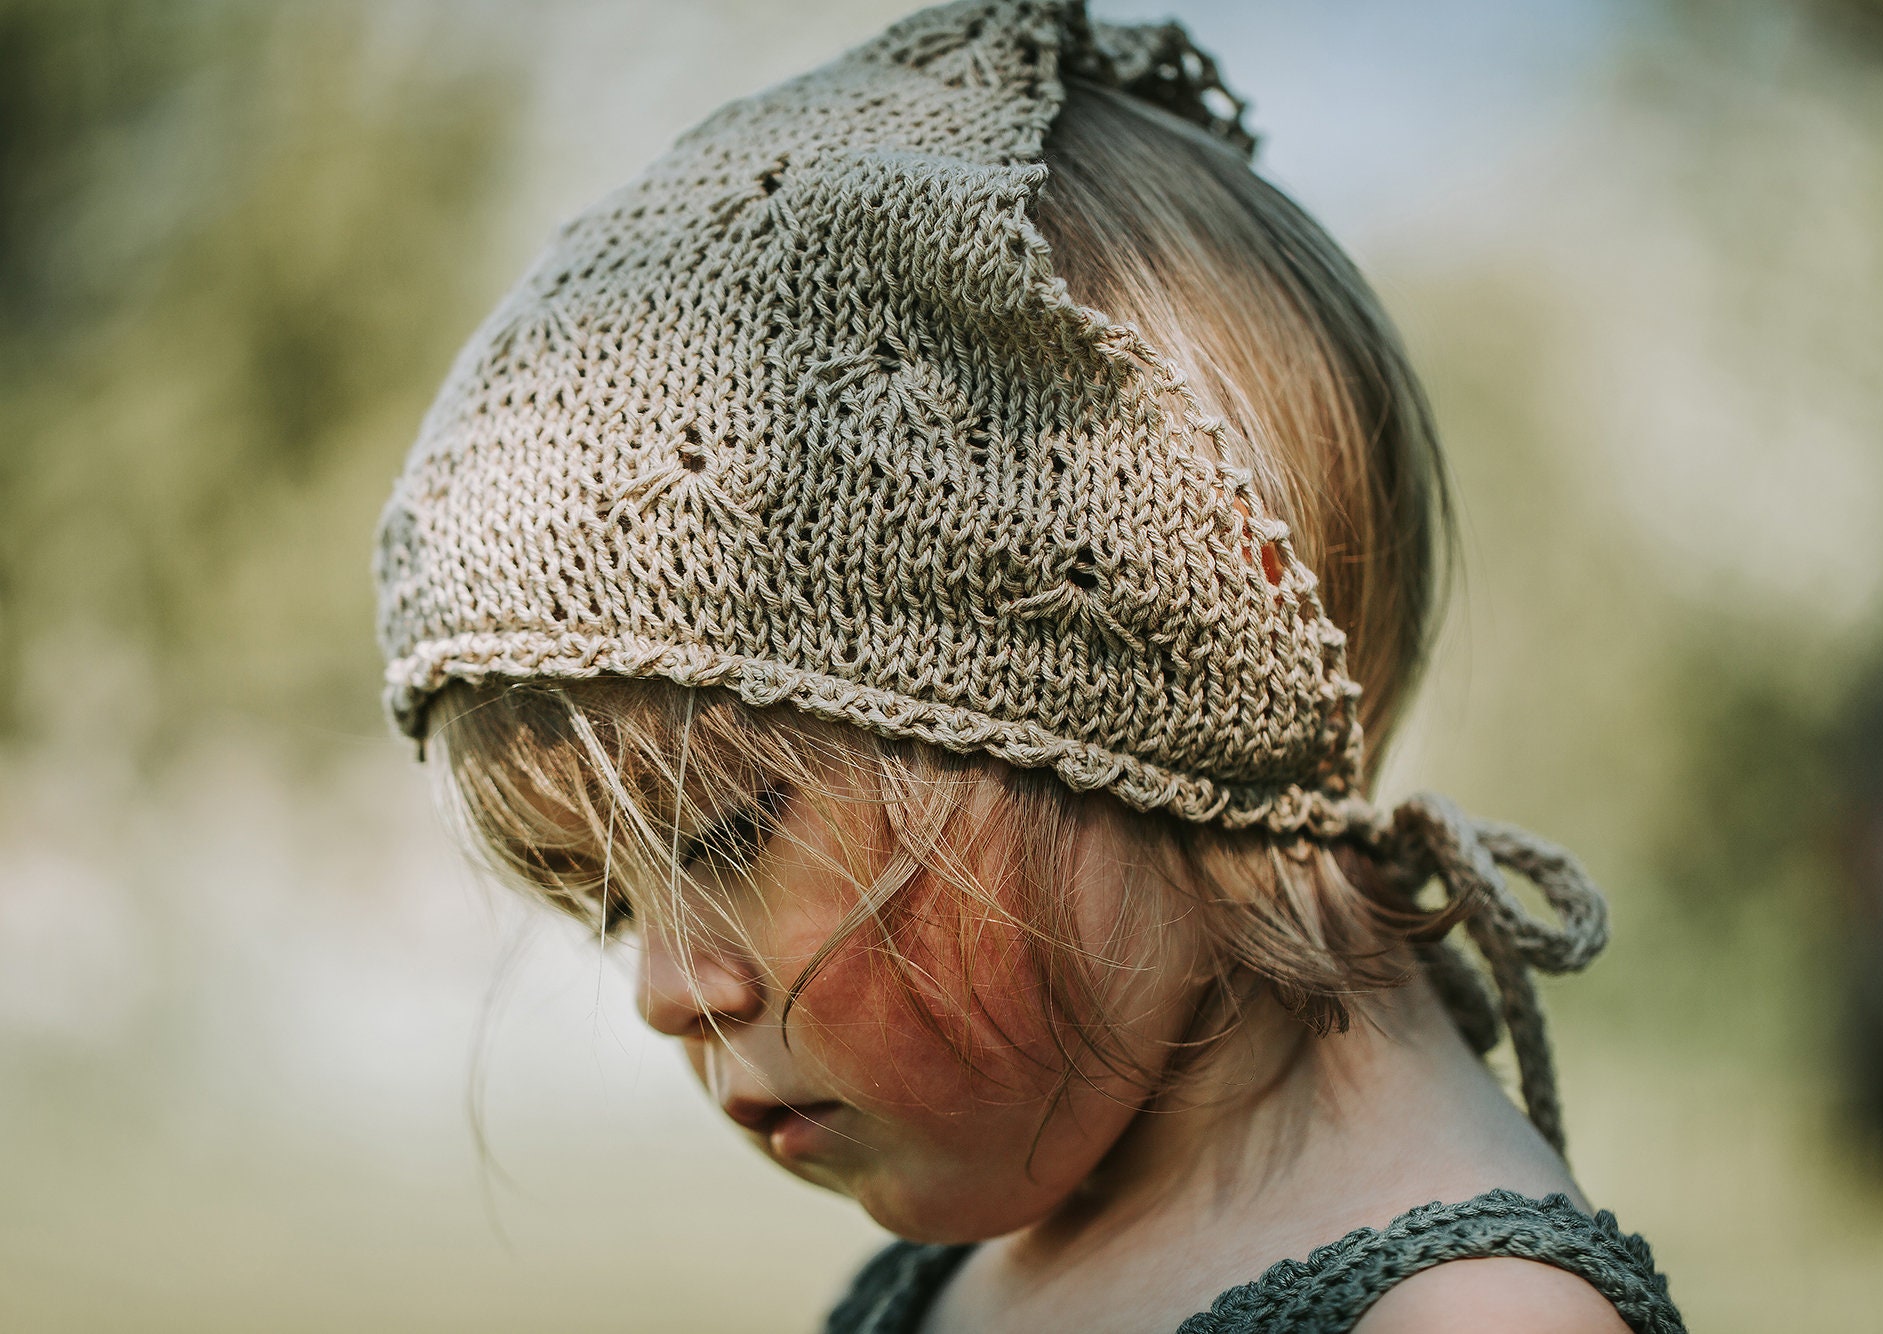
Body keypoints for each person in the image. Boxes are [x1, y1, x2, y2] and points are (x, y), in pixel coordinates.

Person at [373, 2, 1685, 1329]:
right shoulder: (966, 1278)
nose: (666, 991)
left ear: (1143, 704)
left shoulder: (1470, 1320)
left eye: (718, 838)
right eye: (611, 905)